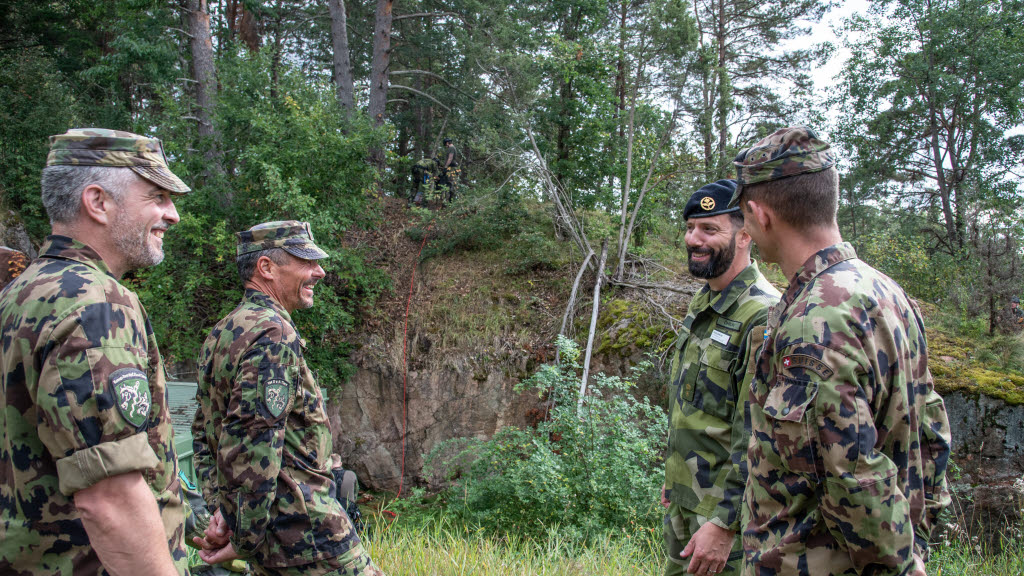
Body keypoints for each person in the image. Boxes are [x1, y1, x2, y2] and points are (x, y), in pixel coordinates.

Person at [730, 126, 952, 576]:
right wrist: (917, 546)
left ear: (759, 214)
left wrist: (901, 565)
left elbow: (852, 473)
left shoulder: (816, 320)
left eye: (744, 216)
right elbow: (932, 433)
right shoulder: (885, 291)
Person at [0, 128, 191, 575]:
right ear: (98, 202)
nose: (173, 214)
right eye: (158, 196)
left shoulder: (21, 292)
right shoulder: (95, 305)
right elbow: (111, 500)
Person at [191, 220, 383, 576]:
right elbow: (253, 446)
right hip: (305, 533)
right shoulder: (273, 333)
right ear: (266, 267)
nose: (319, 272)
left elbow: (205, 433)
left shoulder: (224, 330)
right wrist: (243, 537)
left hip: (273, 534)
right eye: (306, 262)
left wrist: (223, 512)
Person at [662, 180, 780, 576]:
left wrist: (726, 522)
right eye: (691, 227)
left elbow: (758, 433)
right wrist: (674, 476)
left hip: (724, 519)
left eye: (709, 230)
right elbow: (692, 404)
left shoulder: (762, 315)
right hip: (687, 499)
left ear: (745, 235)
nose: (694, 239)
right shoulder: (706, 298)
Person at [436, 137, 459, 202]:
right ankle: (448, 200)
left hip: (451, 168)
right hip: (450, 167)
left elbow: (450, 158)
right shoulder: (451, 148)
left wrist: (445, 167)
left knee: (450, 183)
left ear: (447, 143)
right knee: (447, 183)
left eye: (445, 145)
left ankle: (450, 201)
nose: (446, 146)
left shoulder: (451, 148)